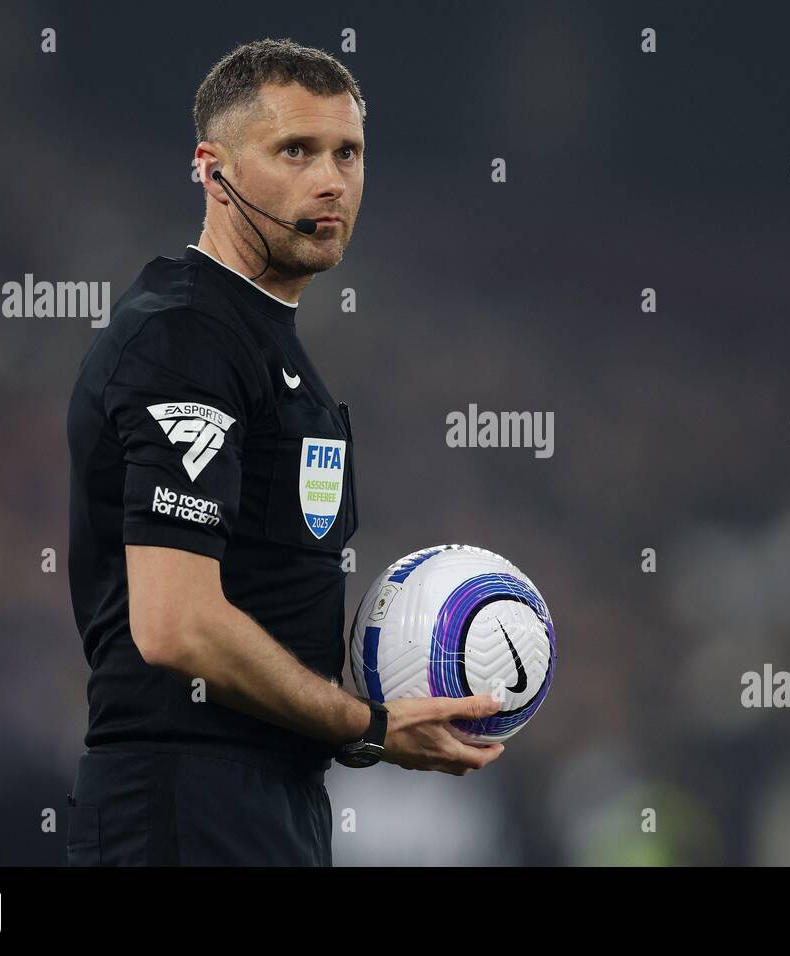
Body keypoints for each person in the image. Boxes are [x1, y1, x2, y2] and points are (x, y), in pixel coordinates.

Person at [64, 38, 503, 867]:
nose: (331, 179)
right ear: (212, 169)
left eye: (349, 152)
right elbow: (175, 624)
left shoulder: (267, 346)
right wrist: (367, 725)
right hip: (184, 809)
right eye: (295, 150)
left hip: (269, 806)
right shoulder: (184, 336)